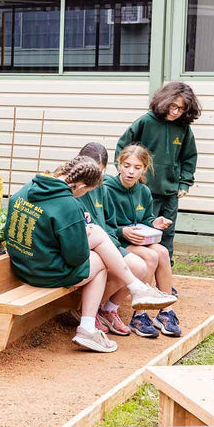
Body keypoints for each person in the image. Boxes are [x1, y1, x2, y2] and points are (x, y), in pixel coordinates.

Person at [4, 157, 176, 353]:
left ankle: (134, 288)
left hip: (23, 263)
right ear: (82, 186)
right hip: (44, 273)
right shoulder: (67, 204)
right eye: (87, 191)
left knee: (94, 232)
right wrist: (81, 236)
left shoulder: (27, 189)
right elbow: (75, 258)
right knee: (101, 262)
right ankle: (89, 326)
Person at [116, 81, 201, 261]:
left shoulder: (183, 128)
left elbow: (189, 156)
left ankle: (165, 274)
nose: (175, 112)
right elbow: (124, 147)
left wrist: (184, 182)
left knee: (167, 233)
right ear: (164, 101)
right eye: (173, 106)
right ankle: (144, 271)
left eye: (181, 109)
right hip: (145, 190)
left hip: (170, 191)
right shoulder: (146, 122)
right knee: (145, 232)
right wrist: (129, 177)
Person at [75, 142, 153, 338]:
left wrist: (113, 241)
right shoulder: (74, 189)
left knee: (140, 267)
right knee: (124, 266)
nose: (94, 178)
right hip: (87, 247)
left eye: (99, 173)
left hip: (107, 244)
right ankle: (88, 313)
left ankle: (107, 309)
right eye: (91, 171)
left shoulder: (101, 187)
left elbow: (109, 222)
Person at [104, 144, 182, 337]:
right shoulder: (107, 190)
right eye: (127, 165)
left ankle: (166, 312)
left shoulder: (144, 191)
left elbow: (145, 219)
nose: (131, 171)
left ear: (144, 169)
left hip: (138, 239)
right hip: (117, 240)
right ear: (119, 165)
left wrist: (155, 222)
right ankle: (140, 315)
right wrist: (123, 231)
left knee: (162, 252)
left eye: (137, 167)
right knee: (150, 257)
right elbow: (103, 225)